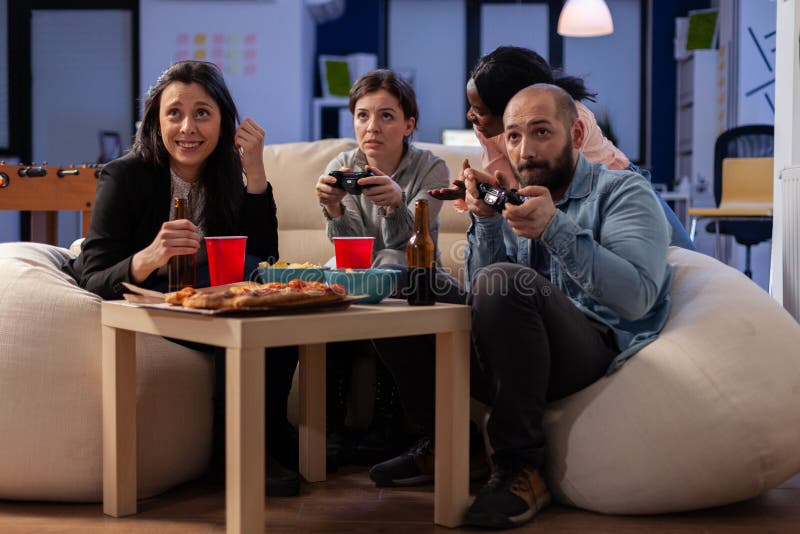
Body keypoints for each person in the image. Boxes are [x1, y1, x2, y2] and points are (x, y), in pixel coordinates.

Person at [373, 84, 672, 529]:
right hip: (517, 351)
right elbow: (483, 297)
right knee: (397, 283)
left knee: (505, 279)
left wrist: (554, 227)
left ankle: (521, 467)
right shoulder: (520, 195)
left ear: (575, 134)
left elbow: (636, 298)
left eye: (541, 132)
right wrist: (486, 221)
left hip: (590, 347)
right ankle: (453, 442)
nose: (525, 150)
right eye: (513, 136)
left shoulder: (622, 192)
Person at [64, 60, 300, 496]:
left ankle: (268, 434)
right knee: (243, 297)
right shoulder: (125, 176)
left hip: (211, 301)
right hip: (153, 302)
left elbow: (264, 259)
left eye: (202, 113)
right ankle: (240, 449)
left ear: (223, 122)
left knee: (272, 296)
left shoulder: (226, 175)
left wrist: (255, 171)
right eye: (174, 113)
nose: (188, 128)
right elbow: (92, 276)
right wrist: (150, 257)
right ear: (156, 121)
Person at [314, 69, 450, 470]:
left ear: (409, 125)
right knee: (331, 273)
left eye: (386, 116)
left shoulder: (432, 168)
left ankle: (390, 420)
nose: (371, 127)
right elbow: (350, 248)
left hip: (415, 276)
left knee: (390, 263)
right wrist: (333, 208)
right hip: (362, 277)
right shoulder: (344, 164)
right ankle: (331, 423)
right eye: (362, 115)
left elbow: (408, 245)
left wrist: (394, 204)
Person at [432, 45, 695, 251]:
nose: (470, 115)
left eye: (480, 110)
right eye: (472, 106)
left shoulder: (571, 119)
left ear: (512, 107)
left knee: (684, 256)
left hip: (617, 185)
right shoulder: (486, 128)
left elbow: (556, 191)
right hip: (564, 203)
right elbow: (514, 191)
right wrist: (480, 193)